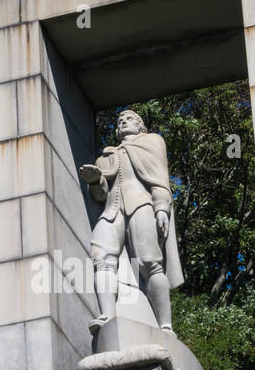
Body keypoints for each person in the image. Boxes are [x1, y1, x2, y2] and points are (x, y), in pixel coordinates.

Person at [78, 109, 184, 335]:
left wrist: (162, 207)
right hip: (112, 211)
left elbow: (160, 180)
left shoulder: (153, 142)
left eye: (130, 119)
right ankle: (107, 316)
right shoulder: (106, 157)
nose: (124, 121)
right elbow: (100, 196)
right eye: (120, 120)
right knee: (101, 258)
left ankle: (165, 324)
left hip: (142, 206)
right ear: (116, 130)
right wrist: (96, 180)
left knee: (150, 262)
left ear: (140, 125)